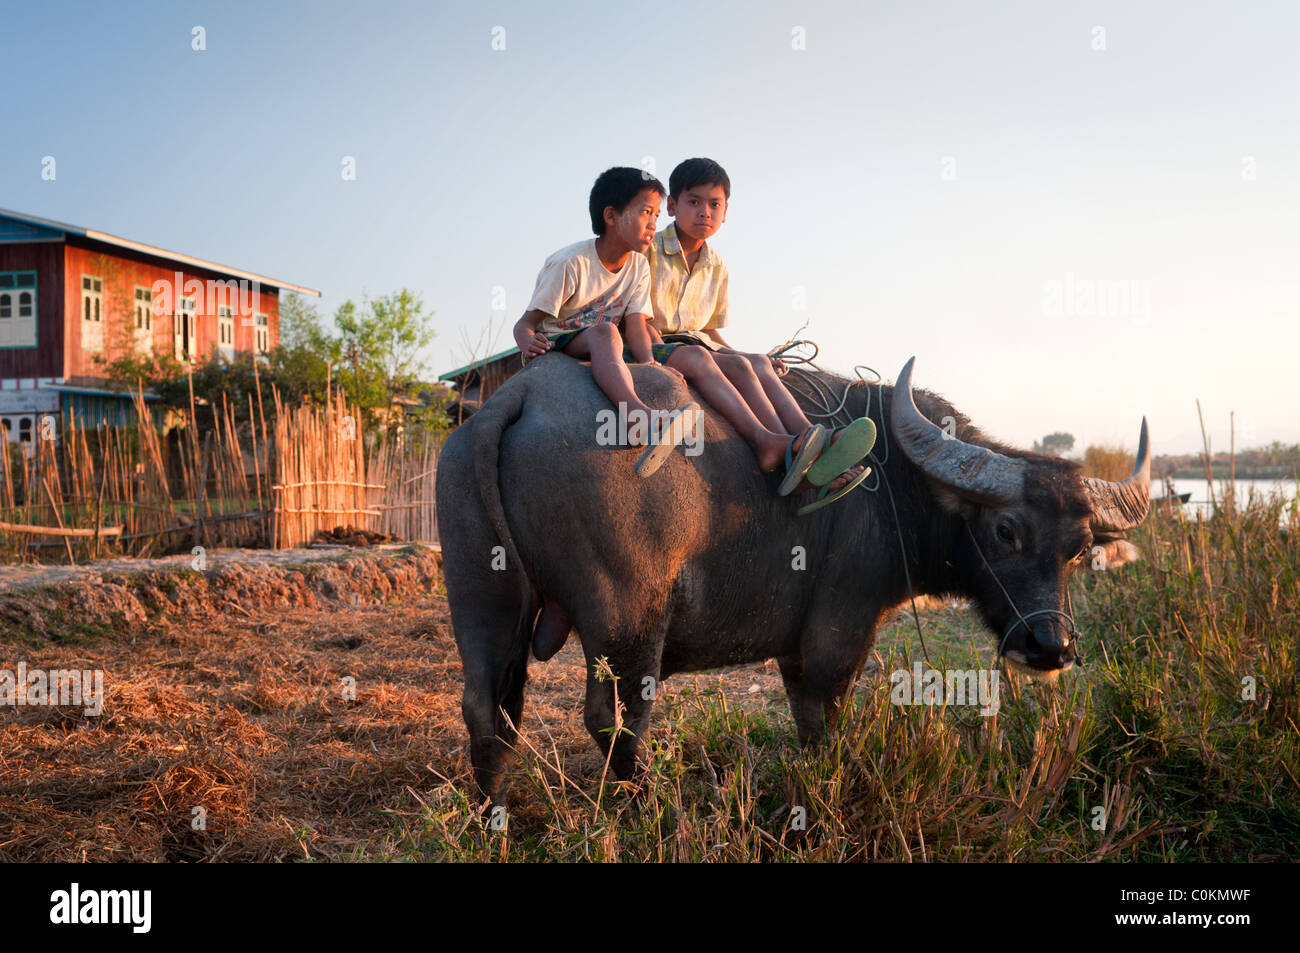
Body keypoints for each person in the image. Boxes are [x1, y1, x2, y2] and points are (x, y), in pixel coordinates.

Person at [646, 157, 875, 512]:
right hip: (655, 340)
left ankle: (811, 439)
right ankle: (770, 443)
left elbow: (708, 328)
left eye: (714, 204)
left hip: (695, 340)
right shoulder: (649, 250)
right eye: (693, 202)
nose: (704, 212)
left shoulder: (716, 265)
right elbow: (636, 313)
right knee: (712, 360)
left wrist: (745, 357)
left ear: (725, 212)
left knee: (752, 363)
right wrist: (654, 355)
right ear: (672, 206)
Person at [513, 167, 696, 477]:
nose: (654, 222)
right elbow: (525, 323)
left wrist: (651, 363)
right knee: (606, 332)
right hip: (559, 341)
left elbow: (636, 324)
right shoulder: (570, 263)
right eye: (645, 212)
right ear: (611, 216)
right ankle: (636, 415)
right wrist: (526, 340)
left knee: (614, 334)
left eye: (656, 215)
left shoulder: (639, 265)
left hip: (602, 340)